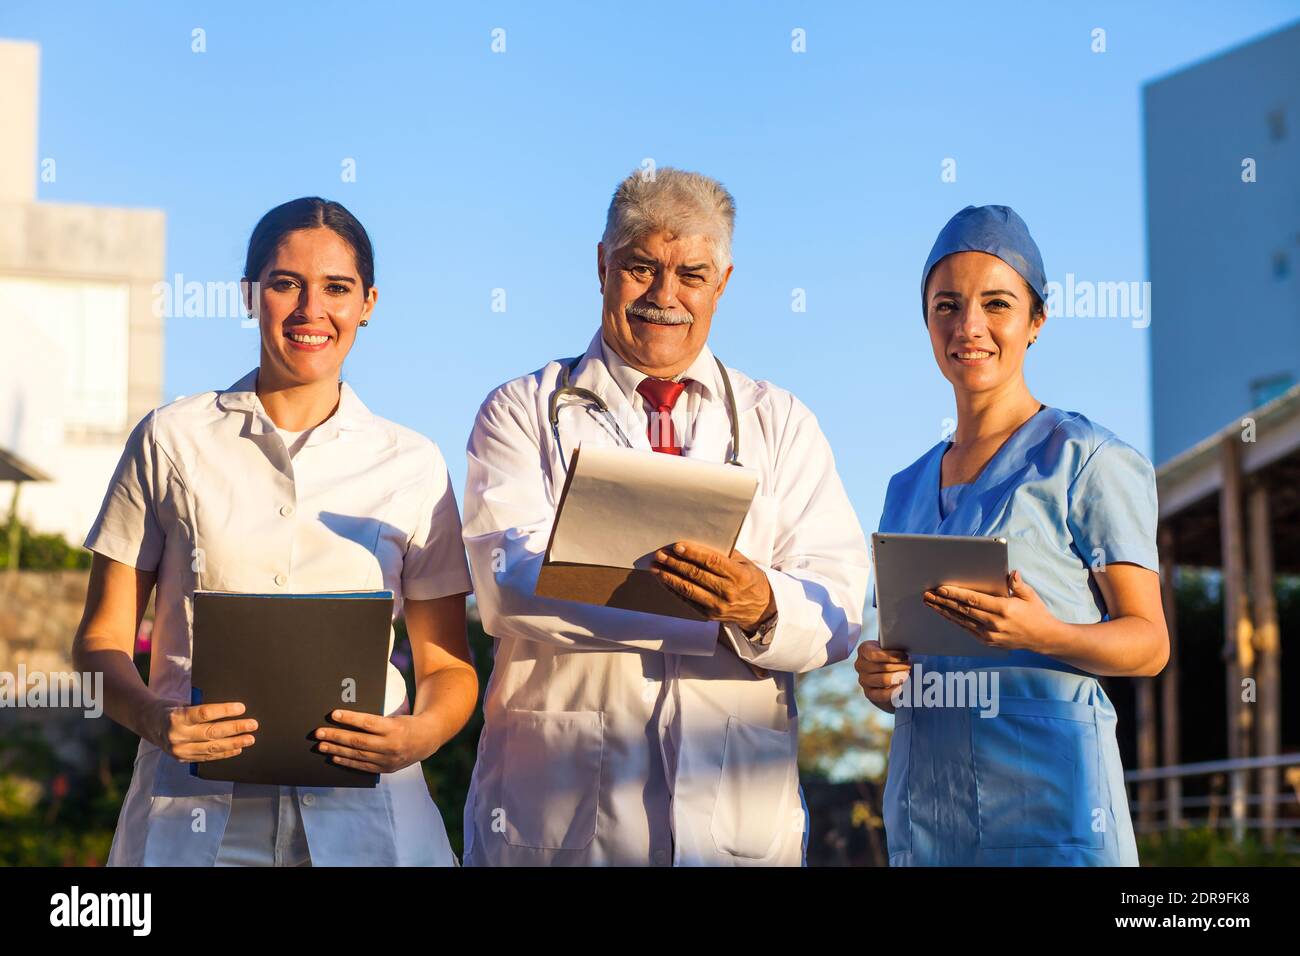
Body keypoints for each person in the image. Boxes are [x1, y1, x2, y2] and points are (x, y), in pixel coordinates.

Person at [461, 167, 870, 866]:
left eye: (692, 274)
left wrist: (763, 605)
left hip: (738, 826)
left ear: (724, 282)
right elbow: (509, 588)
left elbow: (838, 607)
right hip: (559, 823)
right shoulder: (521, 411)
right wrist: (711, 610)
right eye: (640, 267)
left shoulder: (783, 423)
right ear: (600, 264)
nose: (665, 295)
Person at [72, 197, 477, 866]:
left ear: (368, 302)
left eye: (337, 288)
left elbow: (448, 666)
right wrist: (153, 718)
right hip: (194, 820)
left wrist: (420, 735)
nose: (310, 309)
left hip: (370, 823)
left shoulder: (413, 463)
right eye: (286, 284)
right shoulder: (171, 438)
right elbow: (100, 640)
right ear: (249, 295)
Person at [855, 204, 1169, 866]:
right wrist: (881, 675)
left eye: (996, 304)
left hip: (1051, 817)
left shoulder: (1085, 459)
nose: (969, 326)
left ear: (1036, 322)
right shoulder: (904, 488)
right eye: (947, 306)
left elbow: (1149, 644)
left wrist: (1043, 633)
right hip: (930, 818)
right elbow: (901, 653)